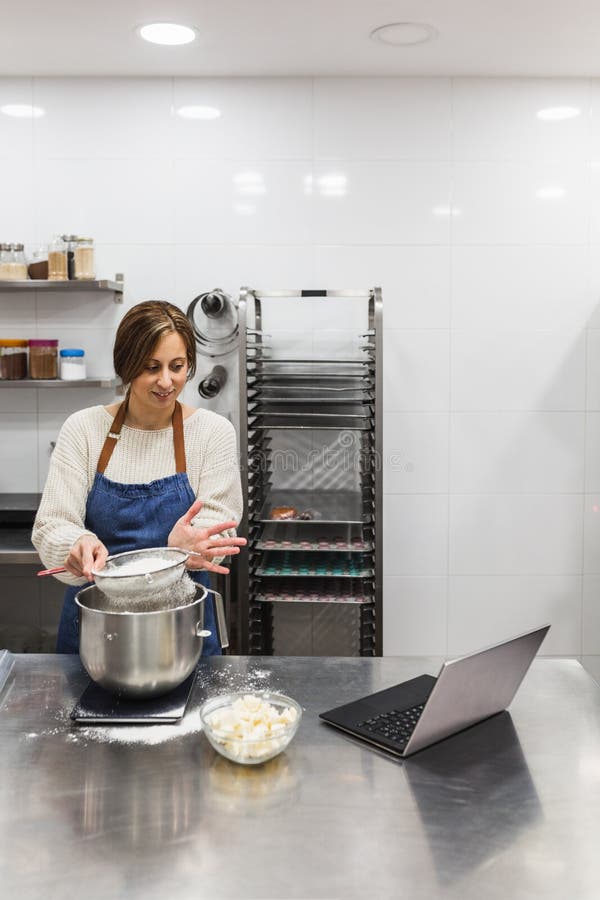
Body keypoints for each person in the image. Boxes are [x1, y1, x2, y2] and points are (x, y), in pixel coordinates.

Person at [32, 300, 246, 655]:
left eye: (177, 367)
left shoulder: (212, 433)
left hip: (182, 630)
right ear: (126, 366)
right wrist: (75, 545)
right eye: (151, 367)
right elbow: (53, 523)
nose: (166, 381)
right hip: (96, 632)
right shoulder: (84, 429)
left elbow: (218, 525)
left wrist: (189, 548)